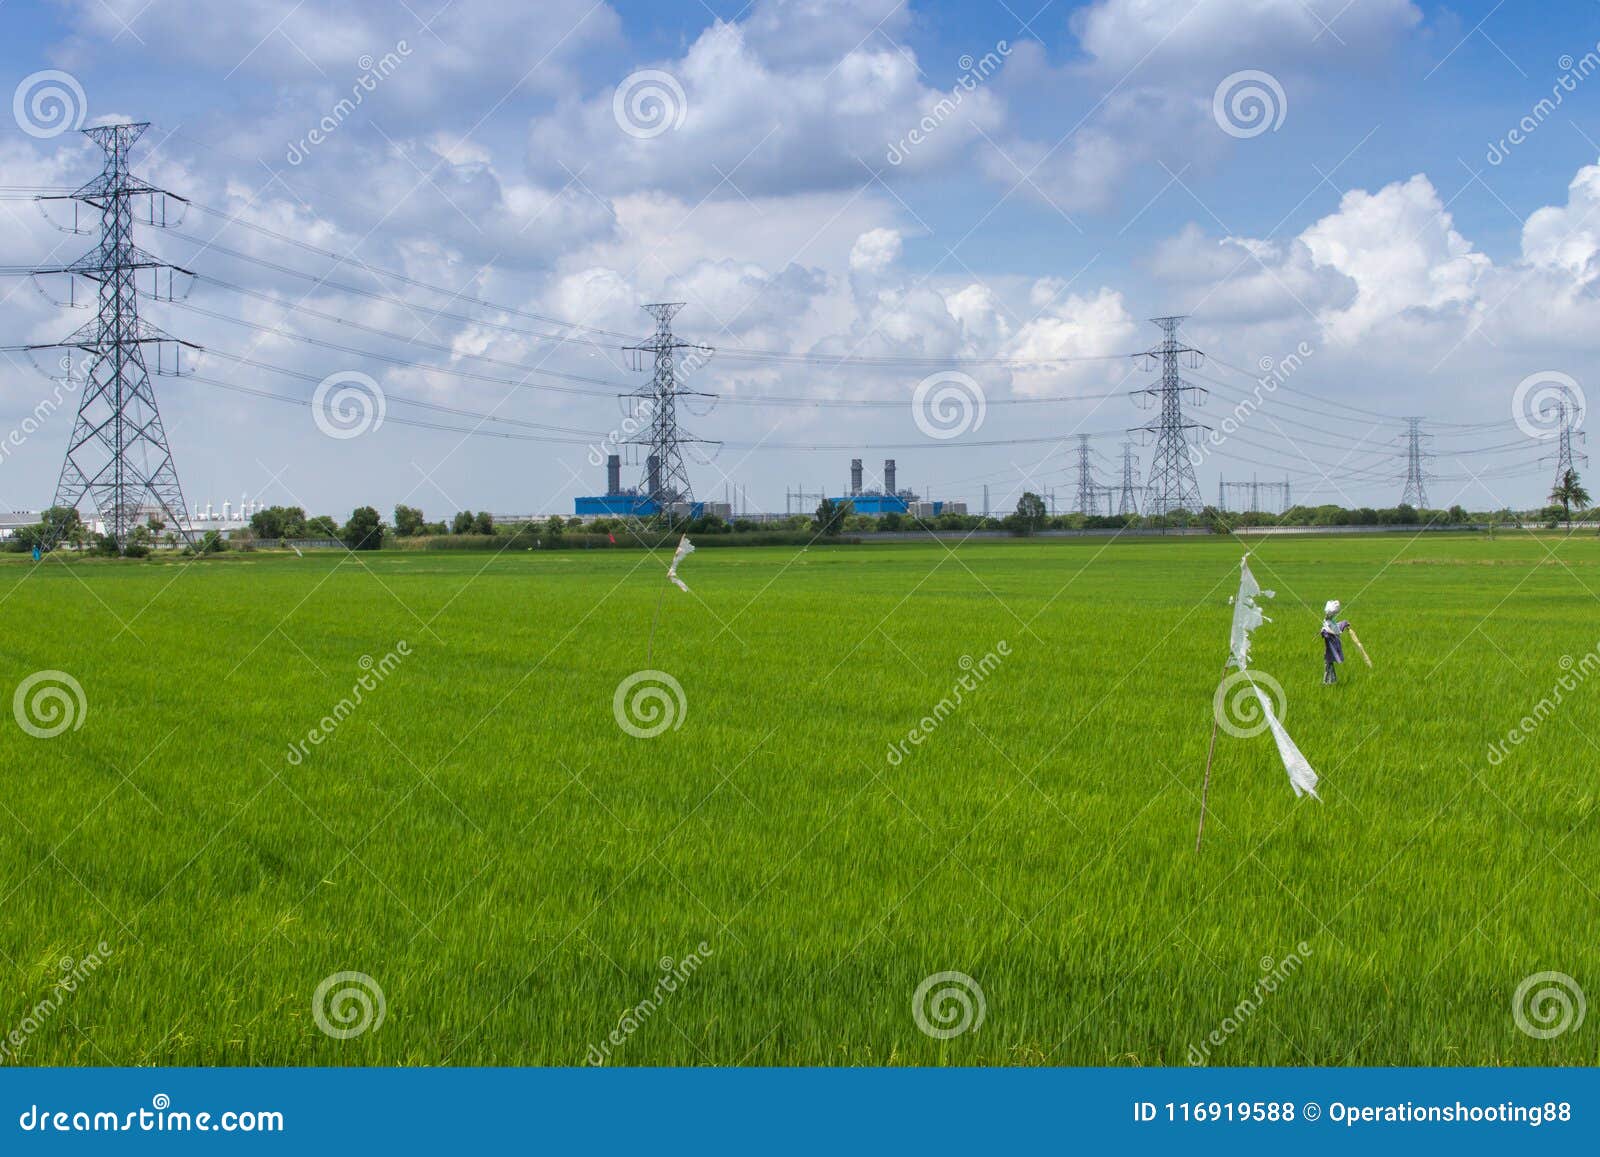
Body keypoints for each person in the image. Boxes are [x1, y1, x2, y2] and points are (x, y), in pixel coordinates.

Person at [1321, 599, 1351, 684]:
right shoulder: (1328, 623)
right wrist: (1324, 632)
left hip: (1334, 648)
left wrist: (1344, 623)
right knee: (1328, 665)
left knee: (1329, 665)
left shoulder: (1332, 622)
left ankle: (1331, 682)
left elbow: (1337, 628)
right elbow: (1326, 630)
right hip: (1330, 649)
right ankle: (1327, 683)